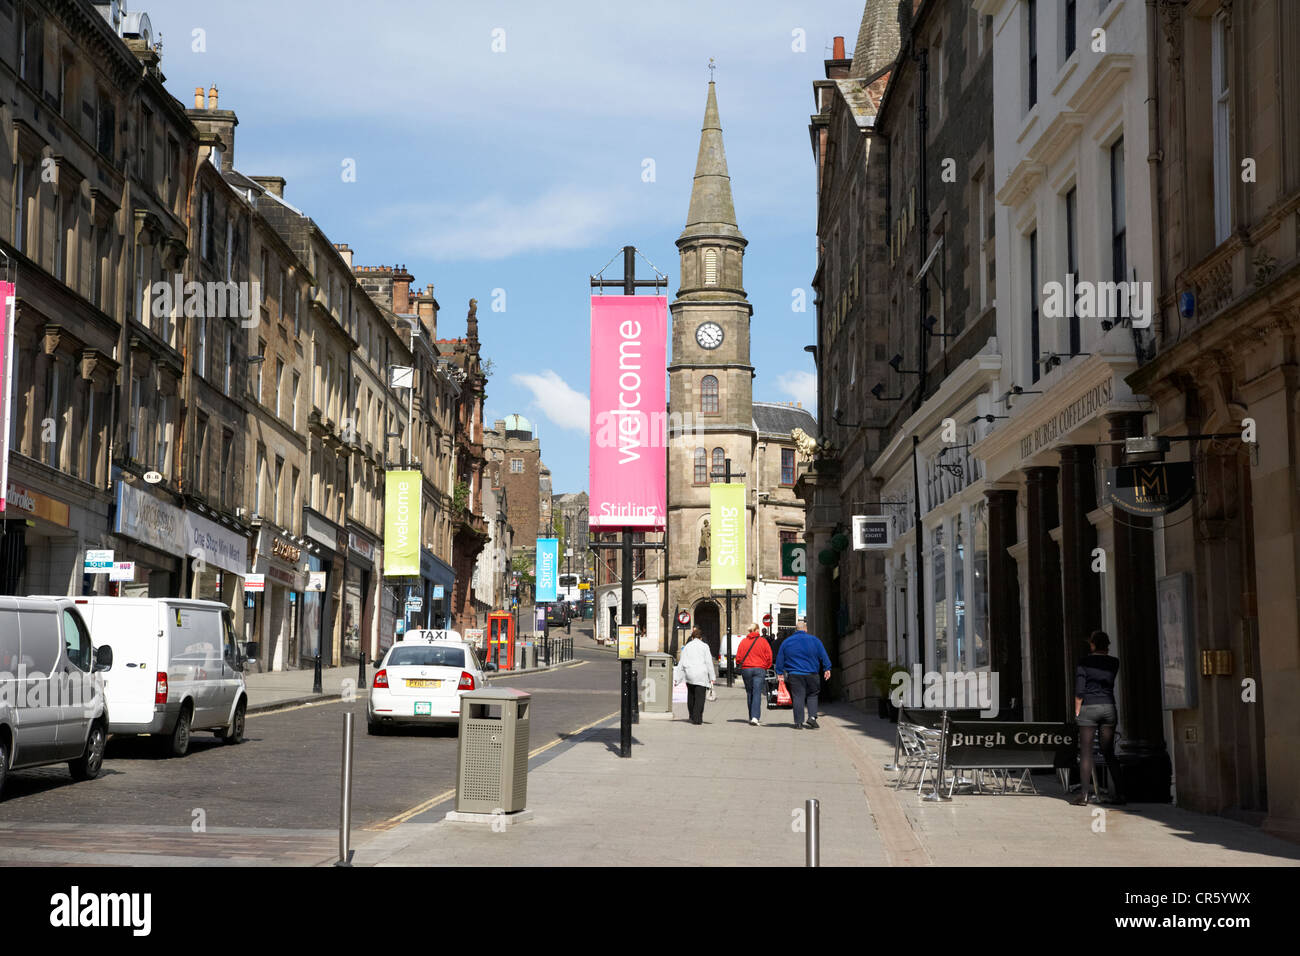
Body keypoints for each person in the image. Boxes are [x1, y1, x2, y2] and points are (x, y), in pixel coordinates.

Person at [1072, 630, 1126, 806]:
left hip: (1089, 706)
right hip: (1109, 707)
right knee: (1109, 752)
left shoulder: (1084, 662)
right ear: (1107, 646)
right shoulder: (1114, 662)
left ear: (1093, 644)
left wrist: (1077, 711)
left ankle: (1084, 795)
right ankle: (1120, 794)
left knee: (1086, 752)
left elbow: (1080, 690)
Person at [774, 618, 831, 729]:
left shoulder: (787, 642)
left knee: (798, 697)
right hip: (812, 673)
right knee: (812, 695)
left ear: (796, 630)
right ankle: (812, 717)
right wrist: (827, 668)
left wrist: (779, 672)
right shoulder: (815, 640)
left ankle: (798, 722)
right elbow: (823, 655)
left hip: (795, 674)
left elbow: (780, 658)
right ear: (806, 629)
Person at [674, 627, 717, 725]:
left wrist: (677, 678)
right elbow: (709, 662)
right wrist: (712, 677)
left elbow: (681, 663)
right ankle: (697, 718)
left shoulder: (687, 646)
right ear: (700, 638)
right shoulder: (705, 646)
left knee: (691, 696)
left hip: (689, 674)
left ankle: (692, 715)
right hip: (701, 675)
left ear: (692, 637)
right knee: (700, 697)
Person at [735, 624, 774, 725]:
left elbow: (738, 657)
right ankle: (755, 717)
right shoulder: (763, 641)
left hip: (746, 669)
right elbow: (769, 655)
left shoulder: (743, 641)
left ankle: (750, 716)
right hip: (759, 669)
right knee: (757, 692)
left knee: (749, 692)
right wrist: (767, 666)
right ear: (756, 630)